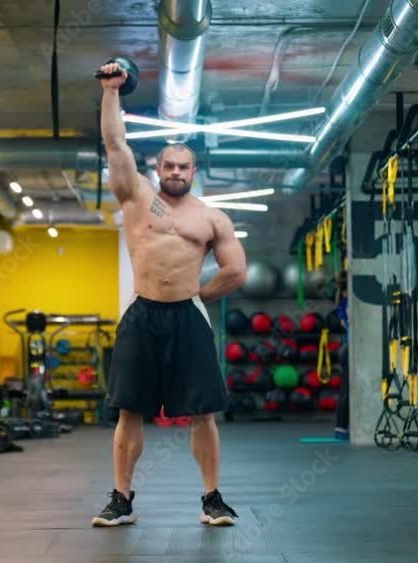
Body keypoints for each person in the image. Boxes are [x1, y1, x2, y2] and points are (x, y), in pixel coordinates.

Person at [91, 61, 248, 528]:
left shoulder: (211, 217)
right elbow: (115, 144)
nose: (175, 171)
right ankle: (121, 499)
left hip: (188, 317)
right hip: (142, 314)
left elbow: (236, 270)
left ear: (194, 171)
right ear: (157, 168)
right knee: (130, 410)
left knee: (204, 413)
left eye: (183, 166)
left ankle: (212, 499)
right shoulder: (138, 196)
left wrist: (197, 296)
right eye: (169, 165)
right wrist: (111, 91)